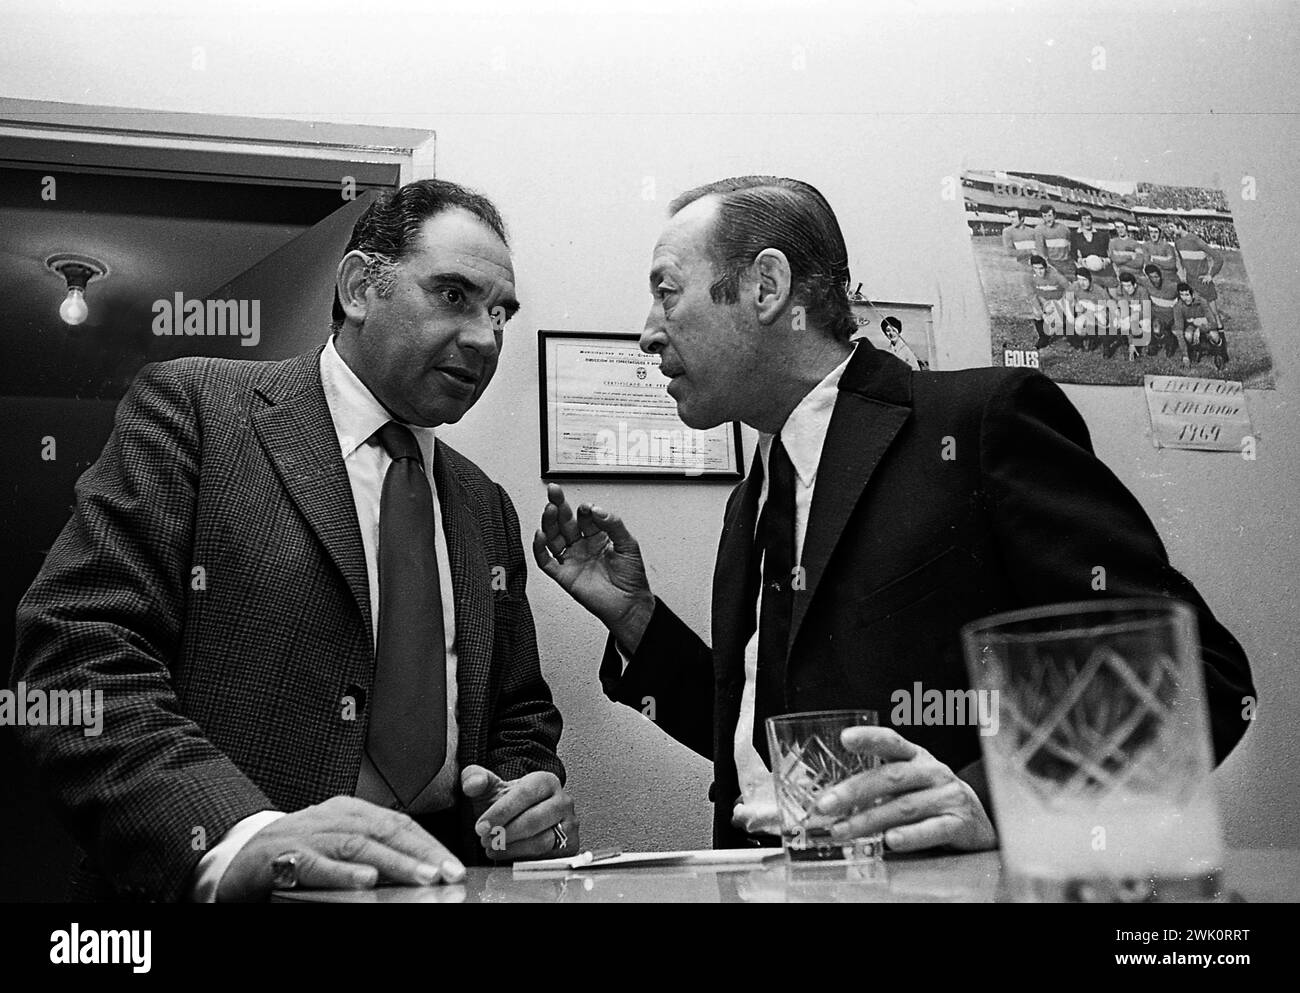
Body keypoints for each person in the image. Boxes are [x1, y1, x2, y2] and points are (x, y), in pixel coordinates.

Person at [533, 175, 1253, 853]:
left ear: (766, 286)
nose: (648, 333)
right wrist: (634, 619)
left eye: (666, 293)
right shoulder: (751, 500)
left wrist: (993, 803)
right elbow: (761, 747)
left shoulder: (979, 425)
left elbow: (1198, 676)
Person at [11, 179, 577, 902]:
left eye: (500, 313)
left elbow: (518, 712)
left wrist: (530, 797)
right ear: (358, 287)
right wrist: (239, 833)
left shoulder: (483, 506)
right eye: (454, 296)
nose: (485, 337)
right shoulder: (196, 411)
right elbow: (77, 657)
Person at [1172, 218, 1227, 332]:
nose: (1169, 230)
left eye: (1171, 227)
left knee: (1214, 313)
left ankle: (1220, 338)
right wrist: (1183, 275)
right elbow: (1182, 261)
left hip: (1203, 283)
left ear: (1179, 227)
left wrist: (1210, 275)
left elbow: (1218, 258)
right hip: (1191, 283)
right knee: (1198, 314)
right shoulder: (1177, 243)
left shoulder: (1196, 240)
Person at [1174, 280, 1230, 369]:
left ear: (1192, 294)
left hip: (1205, 325)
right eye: (1182, 295)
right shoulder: (1178, 307)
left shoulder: (1202, 301)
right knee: (1188, 335)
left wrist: (1200, 329)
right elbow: (1179, 331)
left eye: (1187, 295)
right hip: (1191, 326)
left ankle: (1219, 354)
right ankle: (1196, 350)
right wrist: (1185, 355)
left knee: (1214, 335)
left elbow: (1213, 323)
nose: (1185, 298)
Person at [1024, 254, 1074, 349]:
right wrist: (1042, 311)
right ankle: (1043, 338)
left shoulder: (1055, 275)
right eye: (1036, 268)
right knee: (1036, 312)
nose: (1039, 271)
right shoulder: (1029, 277)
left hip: (1058, 299)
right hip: (1043, 300)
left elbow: (1069, 289)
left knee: (1058, 322)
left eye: (1041, 268)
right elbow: (1032, 295)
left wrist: (1061, 305)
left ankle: (1069, 335)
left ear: (1046, 267)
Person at [1071, 210, 1116, 297]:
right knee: (1098, 295)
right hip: (1089, 270)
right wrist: (1080, 261)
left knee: (1113, 294)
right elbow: (1073, 253)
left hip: (1105, 269)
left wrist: (1107, 260)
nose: (1087, 222)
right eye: (1084, 219)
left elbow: (1110, 252)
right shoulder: (1075, 235)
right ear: (1080, 220)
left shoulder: (1102, 235)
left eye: (1089, 219)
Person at [1142, 262, 1182, 358]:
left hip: (1169, 313)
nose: (1154, 280)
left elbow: (1184, 296)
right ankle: (1152, 343)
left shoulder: (1172, 286)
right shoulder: (1146, 284)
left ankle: (1170, 342)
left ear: (1161, 275)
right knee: (1147, 323)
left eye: (1156, 277)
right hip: (1156, 313)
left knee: (1162, 328)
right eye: (1151, 277)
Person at [1033, 204, 1075, 278]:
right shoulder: (1039, 230)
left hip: (1067, 264)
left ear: (1054, 215)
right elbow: (1040, 251)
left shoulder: (1064, 228)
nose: (1047, 219)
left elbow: (1070, 247)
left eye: (1049, 215)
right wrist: (1048, 265)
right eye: (1044, 216)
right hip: (1051, 264)